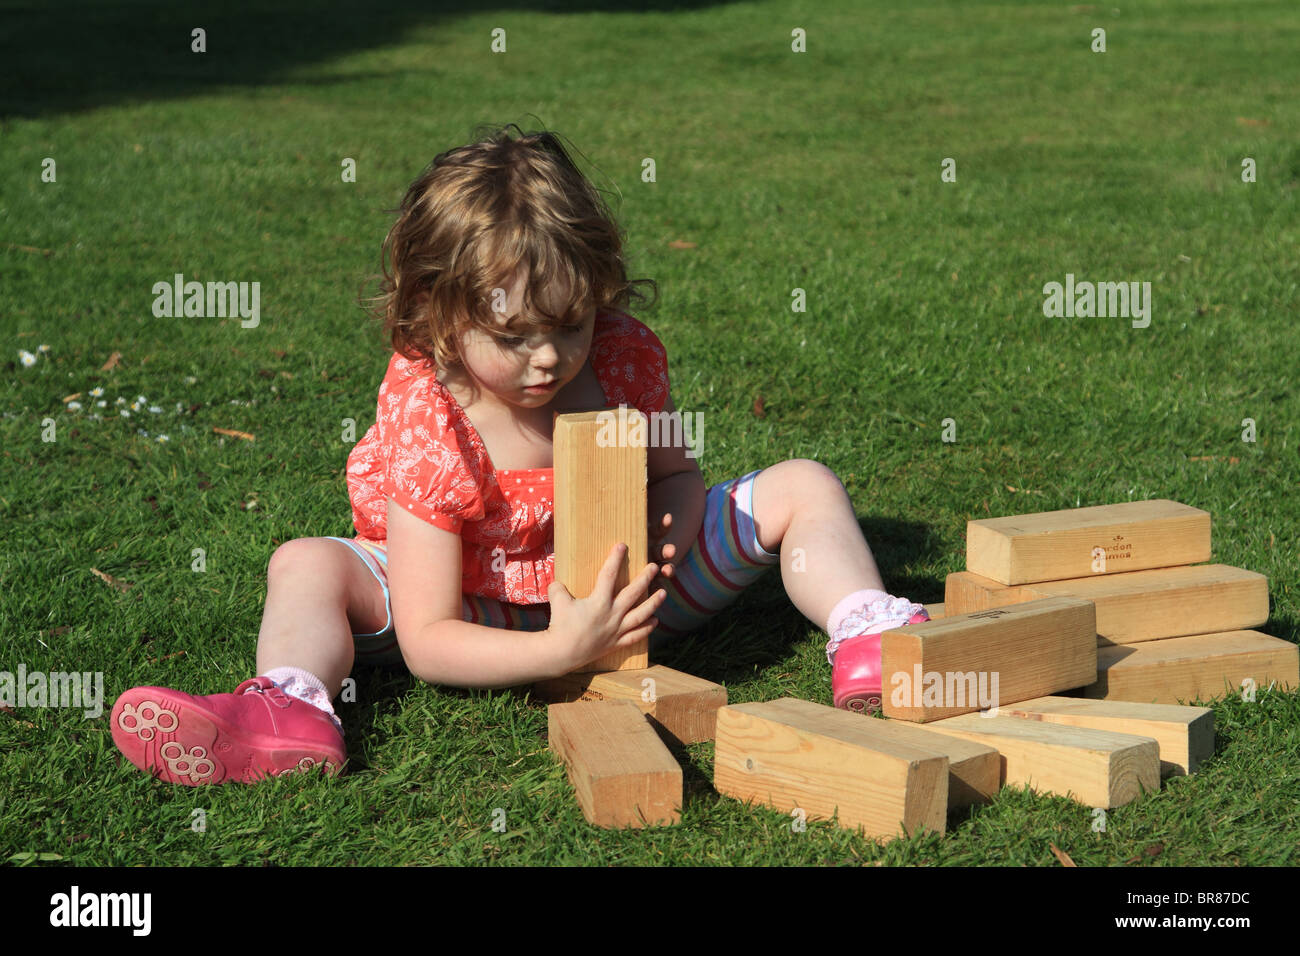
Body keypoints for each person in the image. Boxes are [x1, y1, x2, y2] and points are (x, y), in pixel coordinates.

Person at [109, 125, 928, 786]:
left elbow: (676, 472)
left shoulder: (624, 358)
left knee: (803, 485)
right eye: (512, 337)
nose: (549, 360)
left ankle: (868, 635)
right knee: (306, 565)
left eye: (570, 323)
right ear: (435, 315)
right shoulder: (433, 411)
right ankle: (289, 707)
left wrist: (659, 551)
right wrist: (557, 651)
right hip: (473, 605)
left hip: (624, 592)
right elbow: (428, 637)